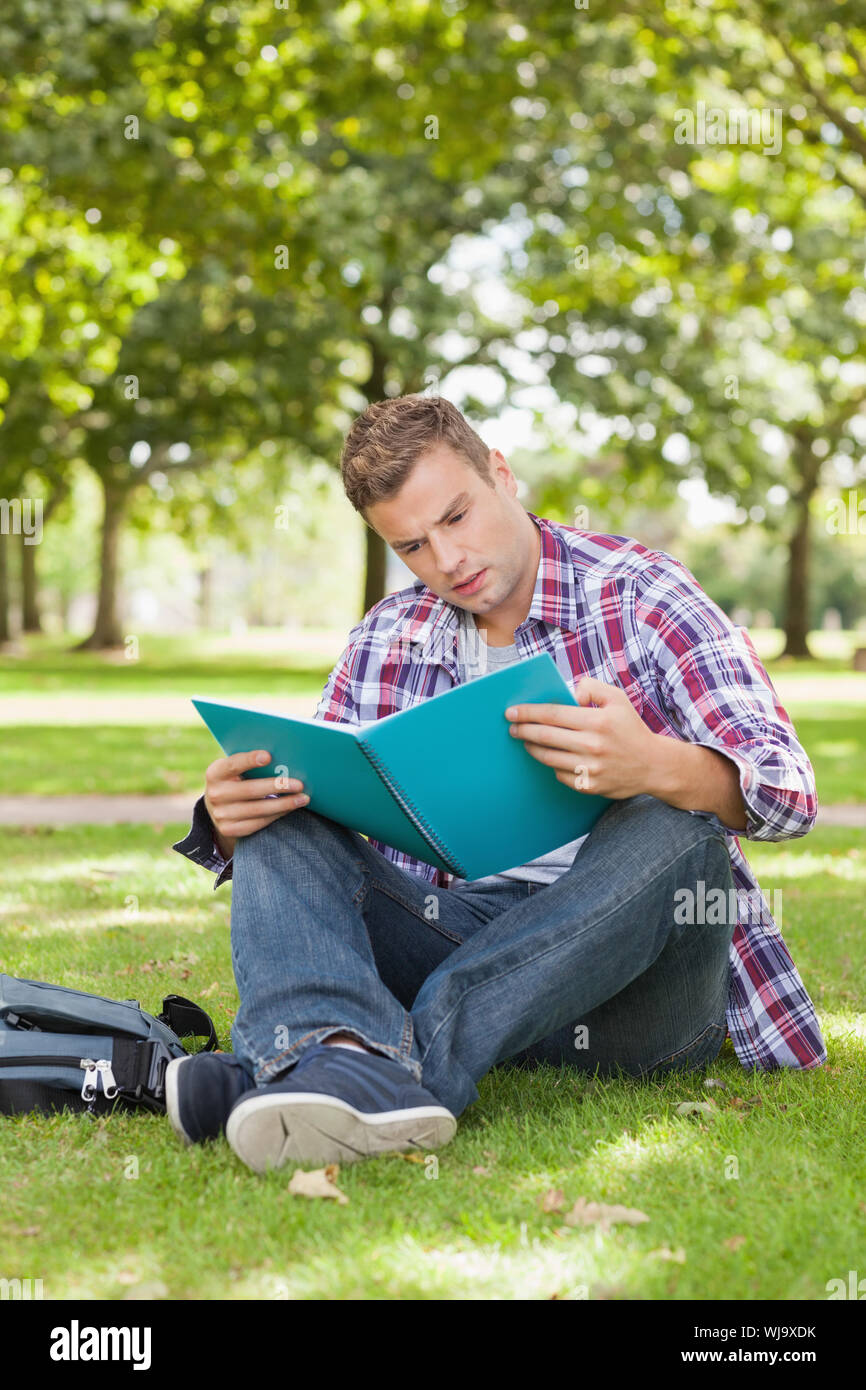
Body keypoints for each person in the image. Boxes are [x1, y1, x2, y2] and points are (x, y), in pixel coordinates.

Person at [169, 394, 825, 1175]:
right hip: (466, 940)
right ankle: (333, 1054)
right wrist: (240, 814)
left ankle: (382, 1070)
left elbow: (789, 792)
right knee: (290, 803)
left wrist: (654, 764)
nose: (447, 559)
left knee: (670, 824)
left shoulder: (641, 593)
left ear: (502, 476)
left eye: (457, 516)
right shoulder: (388, 634)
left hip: (634, 997)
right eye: (412, 545)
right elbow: (328, 801)